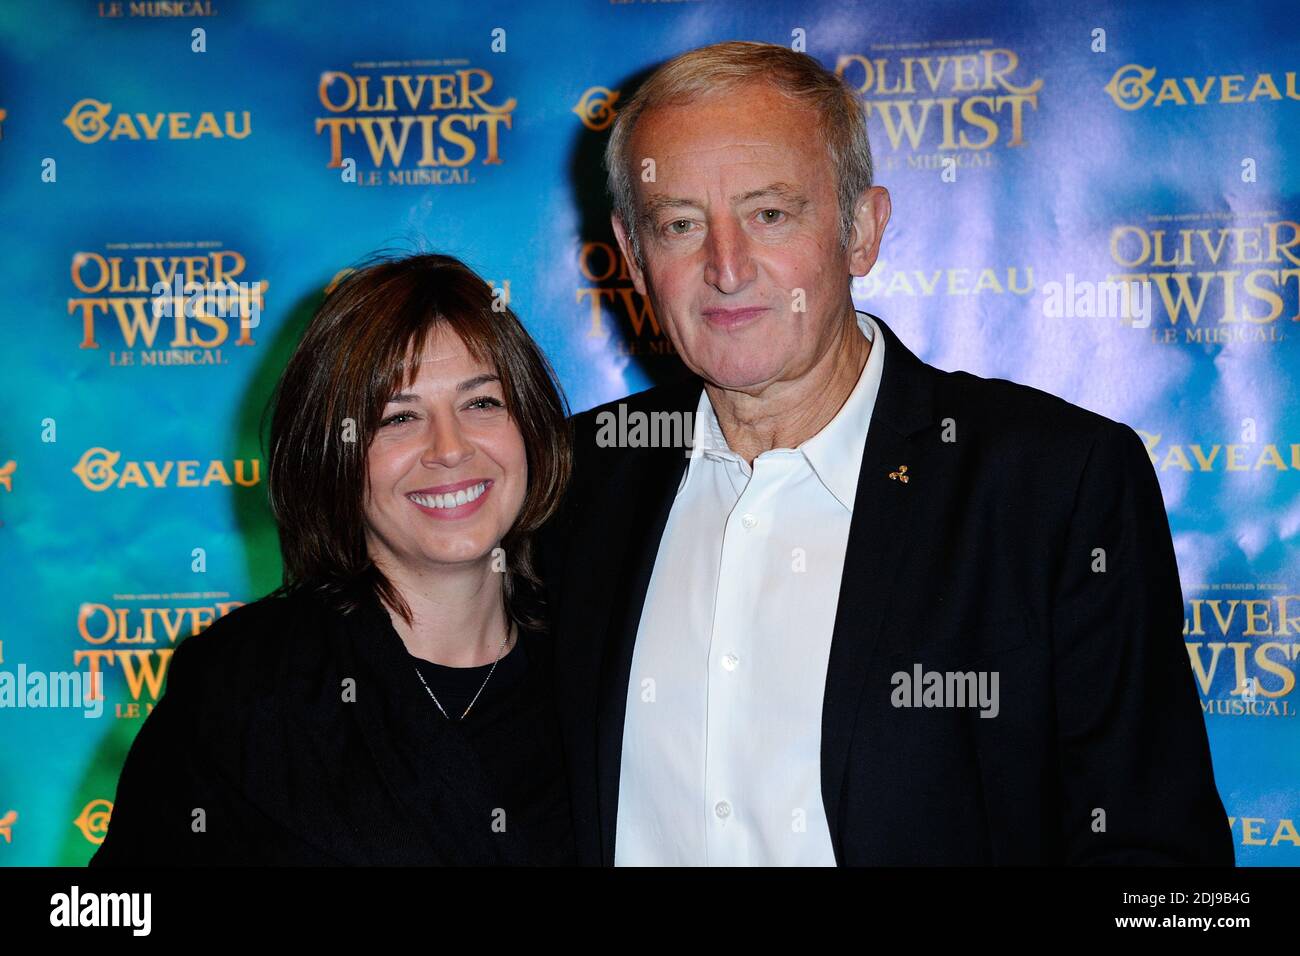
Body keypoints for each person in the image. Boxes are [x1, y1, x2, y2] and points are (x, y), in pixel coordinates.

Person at [538, 41, 1235, 866]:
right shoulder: (569, 481)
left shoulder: (1051, 486)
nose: (725, 269)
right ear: (632, 255)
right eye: (680, 224)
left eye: (769, 213)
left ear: (862, 230)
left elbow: (1160, 862)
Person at [91, 252, 576, 865]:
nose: (449, 449)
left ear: (530, 426)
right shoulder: (243, 689)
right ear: (334, 456)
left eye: (481, 404)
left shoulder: (595, 664)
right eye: (398, 418)